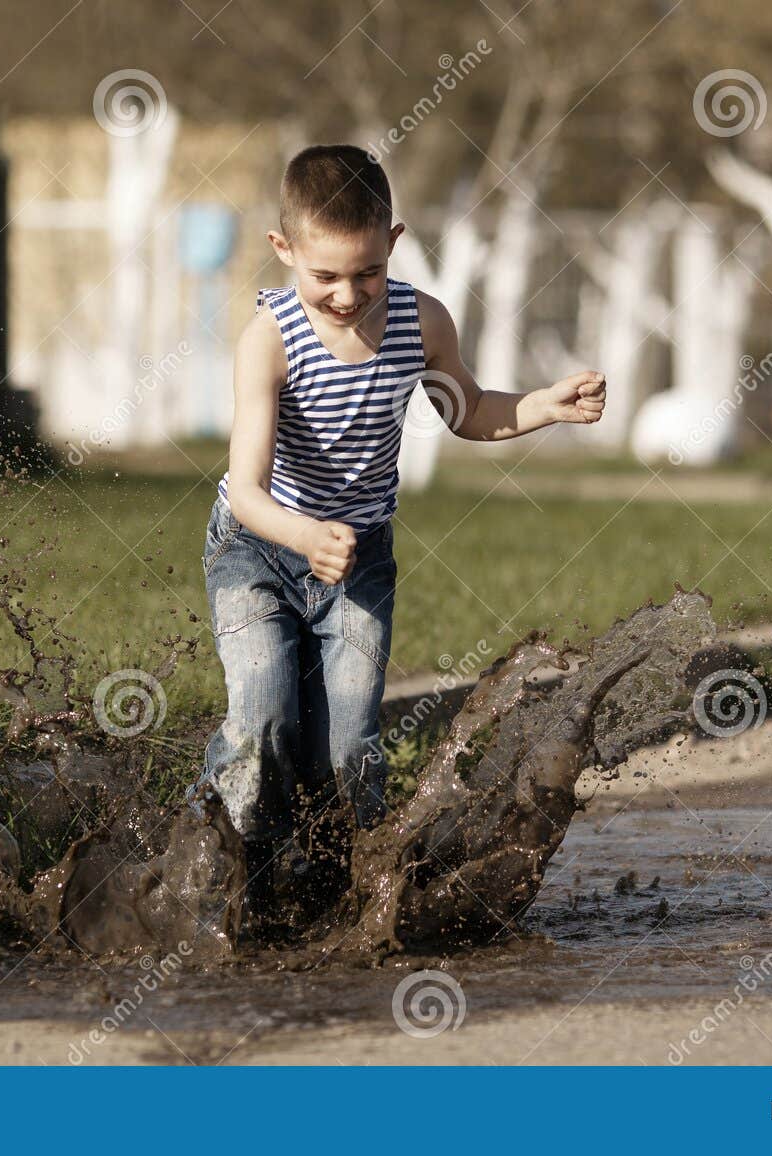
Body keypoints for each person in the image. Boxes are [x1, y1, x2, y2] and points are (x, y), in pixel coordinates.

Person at [193, 143, 607, 928]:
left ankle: (330, 892)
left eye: (367, 273)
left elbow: (469, 411)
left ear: (395, 242)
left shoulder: (422, 324)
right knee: (267, 711)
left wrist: (546, 406)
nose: (347, 295)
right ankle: (212, 851)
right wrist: (304, 534)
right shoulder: (270, 339)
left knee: (347, 747)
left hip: (359, 561)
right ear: (284, 251)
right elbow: (244, 491)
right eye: (325, 276)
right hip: (258, 550)